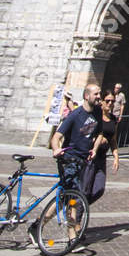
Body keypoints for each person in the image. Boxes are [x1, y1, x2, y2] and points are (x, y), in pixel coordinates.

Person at [50, 83, 102, 217]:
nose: (99, 97)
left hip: (83, 161)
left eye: (99, 93)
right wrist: (56, 149)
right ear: (86, 96)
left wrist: (94, 149)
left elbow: (100, 132)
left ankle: (39, 224)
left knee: (68, 197)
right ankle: (72, 230)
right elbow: (56, 137)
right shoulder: (75, 115)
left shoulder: (97, 112)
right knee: (72, 196)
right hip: (70, 160)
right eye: (96, 94)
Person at [81, 87, 120, 206]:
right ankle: (76, 216)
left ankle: (80, 208)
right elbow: (84, 134)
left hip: (102, 158)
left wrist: (116, 156)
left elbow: (113, 139)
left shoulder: (113, 119)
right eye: (107, 100)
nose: (110, 103)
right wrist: (97, 138)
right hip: (90, 156)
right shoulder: (95, 116)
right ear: (102, 101)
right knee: (85, 189)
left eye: (113, 101)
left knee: (99, 189)